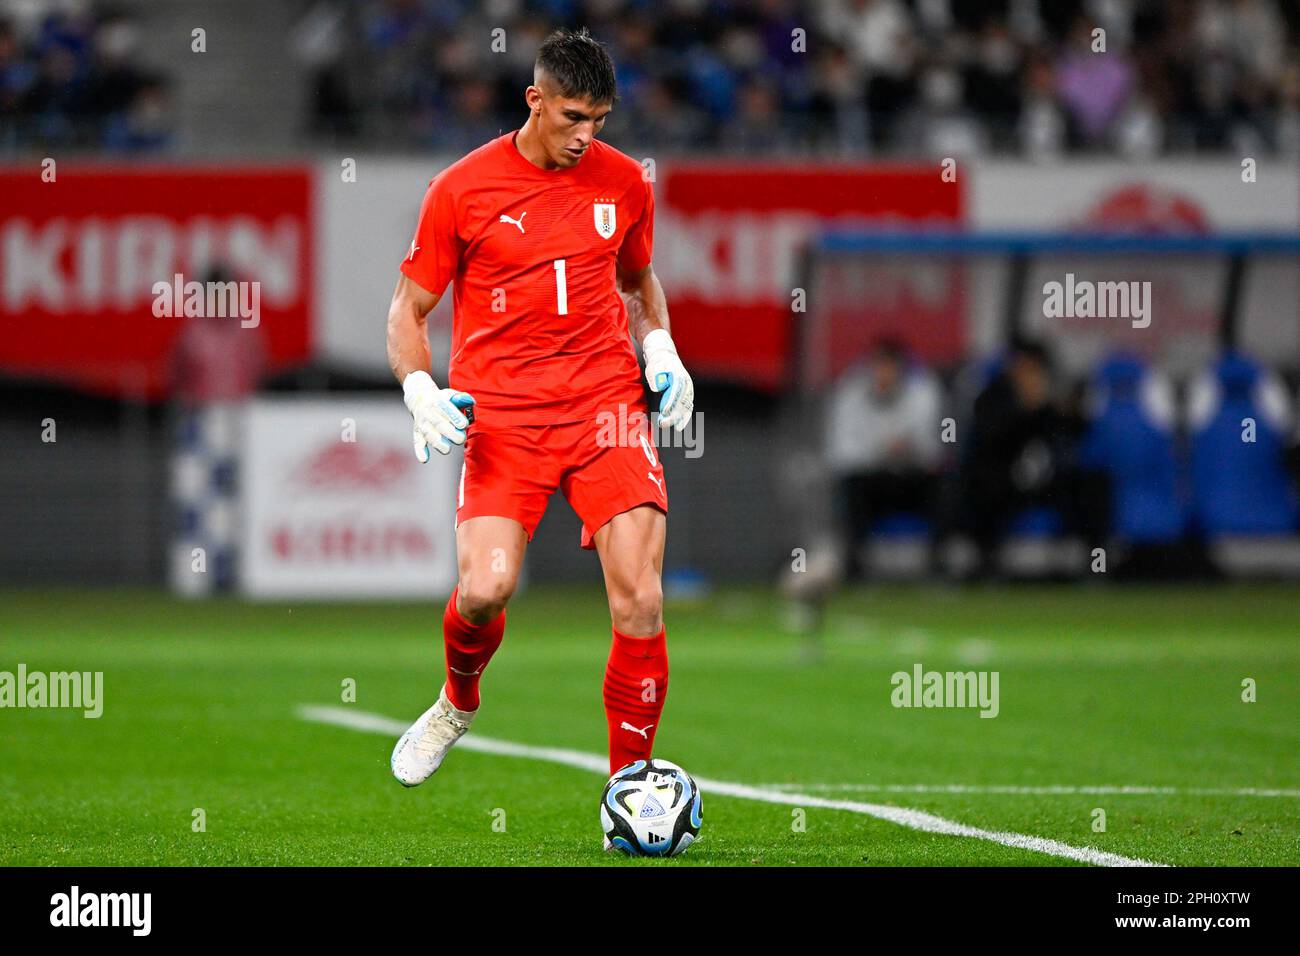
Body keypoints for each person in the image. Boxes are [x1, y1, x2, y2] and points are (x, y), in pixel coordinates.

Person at [384, 29, 694, 794]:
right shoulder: (460, 188)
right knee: (486, 589)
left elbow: (639, 286)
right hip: (505, 418)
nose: (587, 137)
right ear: (535, 100)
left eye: (599, 119)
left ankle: (630, 786)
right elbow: (408, 309)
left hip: (604, 407)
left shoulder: (624, 183)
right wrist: (419, 389)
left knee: (644, 599)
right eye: (572, 118)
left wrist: (661, 351)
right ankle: (458, 701)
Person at [825, 339, 944, 578]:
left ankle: (941, 559)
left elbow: (933, 452)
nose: (884, 374)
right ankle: (855, 564)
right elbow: (840, 455)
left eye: (890, 367)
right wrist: (881, 449)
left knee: (943, 486)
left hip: (910, 478)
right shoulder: (850, 395)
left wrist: (909, 448)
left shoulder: (924, 392)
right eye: (879, 367)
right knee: (851, 487)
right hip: (871, 481)